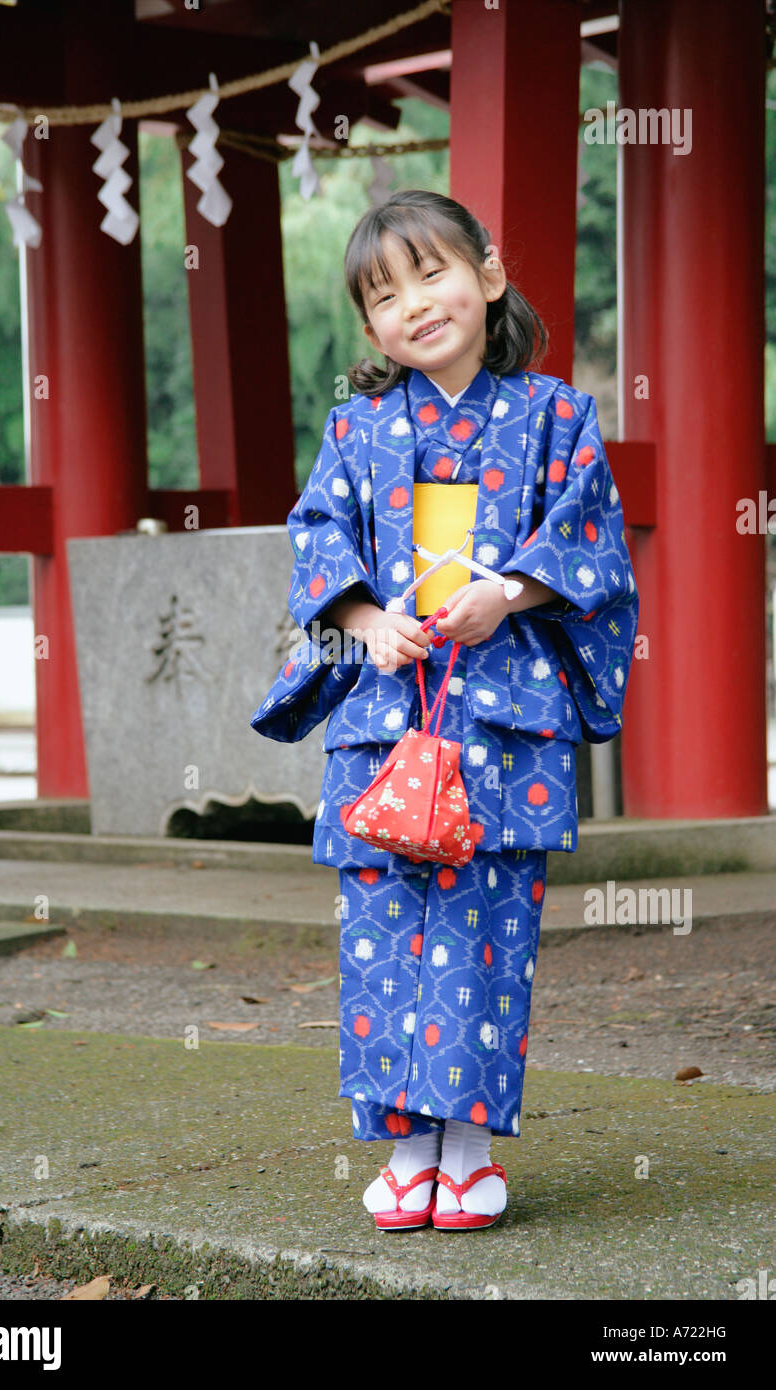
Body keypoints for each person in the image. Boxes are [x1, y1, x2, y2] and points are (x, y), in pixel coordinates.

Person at [250, 189, 638, 1230]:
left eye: (432, 272)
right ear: (368, 326)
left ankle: (462, 1150)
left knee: (484, 936)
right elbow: (317, 536)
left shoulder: (556, 413)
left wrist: (506, 593)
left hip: (501, 725)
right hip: (387, 721)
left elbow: (591, 542)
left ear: (488, 274)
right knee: (377, 935)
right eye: (383, 293)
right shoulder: (356, 427)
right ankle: (403, 1146)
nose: (414, 303)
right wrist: (369, 617)